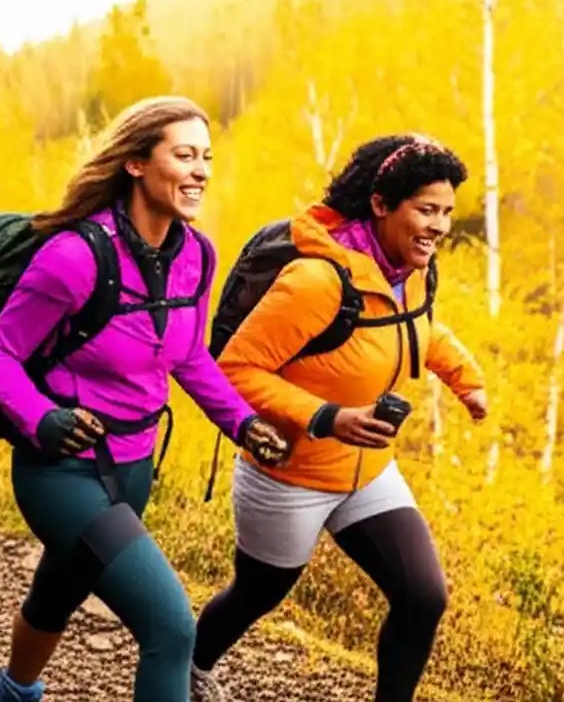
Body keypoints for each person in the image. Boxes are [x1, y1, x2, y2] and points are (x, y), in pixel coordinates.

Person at [0, 95, 288, 702]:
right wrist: (42, 419)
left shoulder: (196, 253)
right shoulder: (75, 255)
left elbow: (189, 354)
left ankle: (13, 695)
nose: (201, 170)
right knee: (170, 625)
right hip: (62, 470)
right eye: (184, 155)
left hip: (135, 466)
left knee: (59, 590)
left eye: (206, 157)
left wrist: (243, 423)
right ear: (137, 164)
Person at [189, 134, 488, 702]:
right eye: (426, 210)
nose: (440, 226)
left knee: (423, 596)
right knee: (259, 592)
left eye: (447, 212)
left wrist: (466, 380)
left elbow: (416, 327)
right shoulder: (317, 281)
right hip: (288, 474)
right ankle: (193, 663)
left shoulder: (412, 269)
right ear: (381, 205)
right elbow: (233, 369)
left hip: (368, 471)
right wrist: (328, 417)